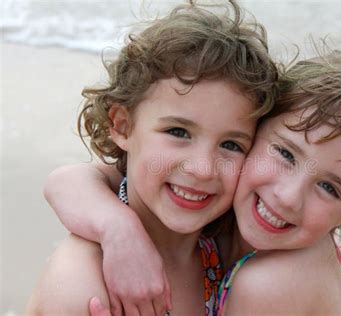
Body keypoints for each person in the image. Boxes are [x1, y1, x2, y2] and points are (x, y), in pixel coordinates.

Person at [42, 46, 341, 315]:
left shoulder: (270, 285)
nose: (288, 197)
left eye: (329, 187)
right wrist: (117, 228)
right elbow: (71, 179)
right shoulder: (220, 227)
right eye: (285, 154)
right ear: (255, 134)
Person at [26, 1, 279, 315]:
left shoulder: (224, 245)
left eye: (231, 145)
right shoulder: (81, 284)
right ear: (122, 125)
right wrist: (115, 228)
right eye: (178, 132)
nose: (202, 169)